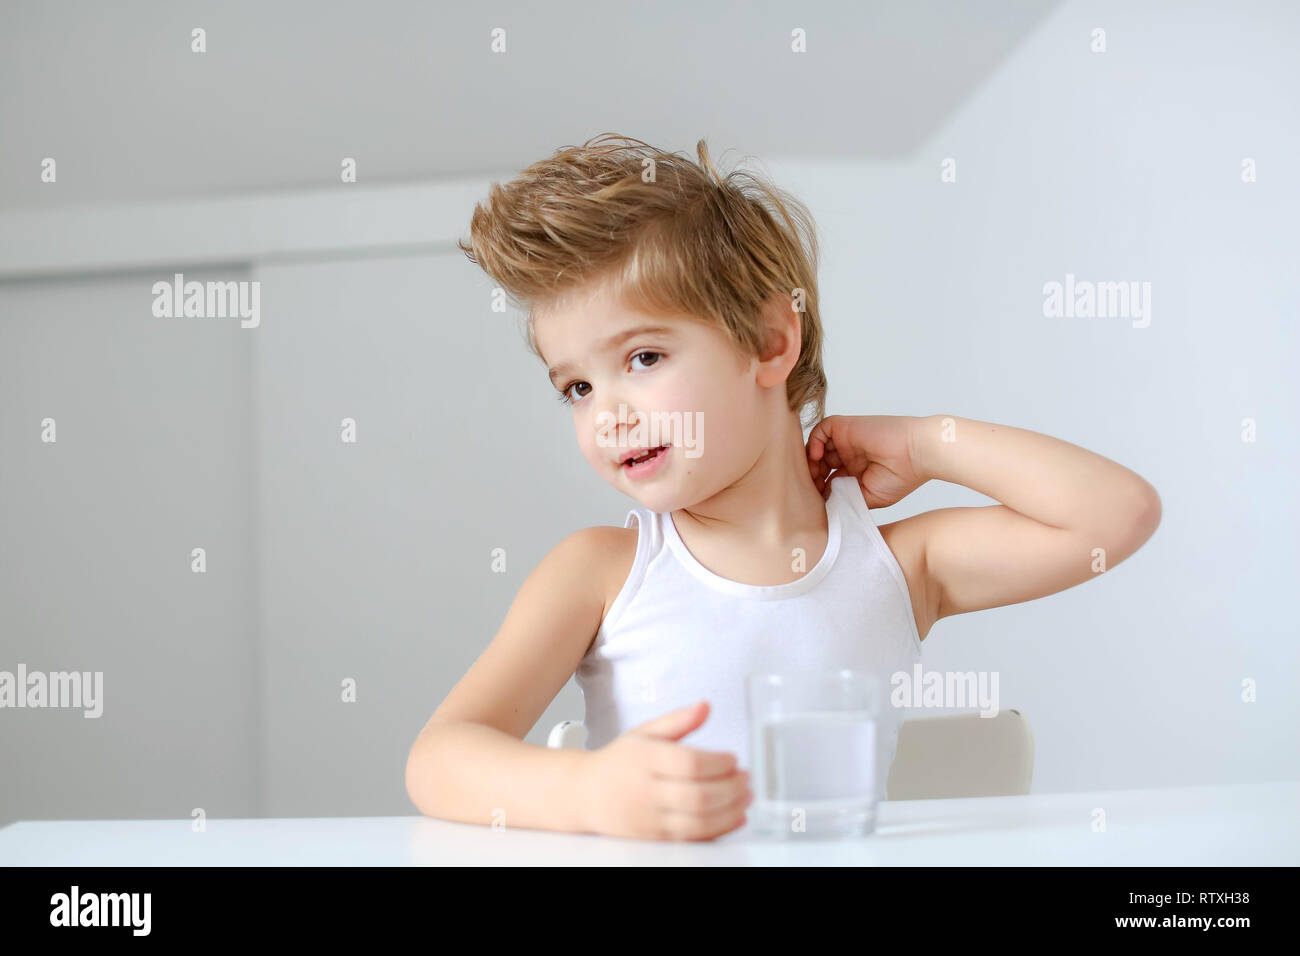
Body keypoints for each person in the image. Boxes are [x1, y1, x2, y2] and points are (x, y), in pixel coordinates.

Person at [404, 133, 1161, 841]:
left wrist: (928, 444)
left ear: (770, 342)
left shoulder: (898, 566)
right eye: (576, 387)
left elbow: (1115, 514)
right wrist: (589, 793)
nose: (608, 415)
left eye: (641, 359)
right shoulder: (599, 570)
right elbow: (440, 757)